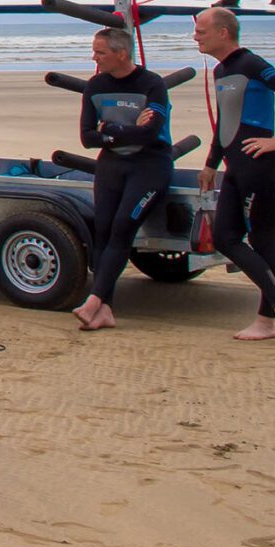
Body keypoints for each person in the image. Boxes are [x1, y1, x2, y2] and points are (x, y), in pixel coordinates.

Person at [194, 7, 275, 344]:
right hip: (236, 168)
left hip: (261, 167)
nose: (195, 35)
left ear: (223, 32)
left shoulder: (252, 64)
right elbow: (224, 123)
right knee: (226, 239)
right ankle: (272, 316)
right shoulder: (220, 71)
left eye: (201, 30)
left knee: (260, 241)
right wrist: (210, 164)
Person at [71, 28, 174, 331]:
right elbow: (87, 138)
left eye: (100, 52)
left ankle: (95, 300)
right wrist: (123, 130)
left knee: (122, 227)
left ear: (122, 53)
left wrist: (111, 129)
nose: (94, 57)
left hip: (150, 164)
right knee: (102, 231)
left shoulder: (151, 84)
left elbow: (149, 134)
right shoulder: (96, 85)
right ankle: (105, 310)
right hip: (112, 165)